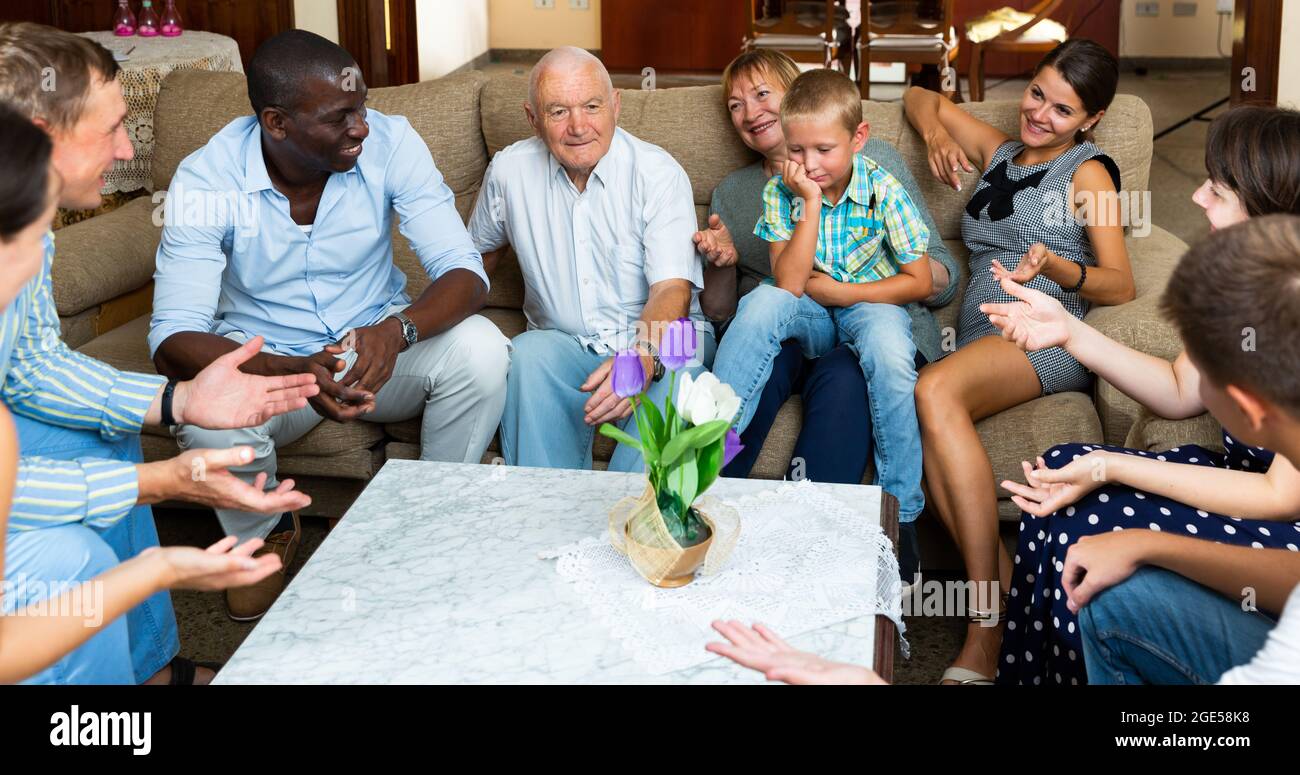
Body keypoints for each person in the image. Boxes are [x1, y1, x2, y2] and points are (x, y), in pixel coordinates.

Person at [148, 31, 510, 621]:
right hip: (271, 368)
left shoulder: (393, 143)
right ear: (277, 122)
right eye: (340, 117)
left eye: (361, 107)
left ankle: (429, 515)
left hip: (376, 352)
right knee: (204, 410)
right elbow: (173, 337)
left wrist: (400, 330)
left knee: (483, 349)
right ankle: (264, 532)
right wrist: (290, 372)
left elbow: (465, 272)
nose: (362, 127)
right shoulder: (206, 179)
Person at [0, 26, 312, 685]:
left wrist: (176, 402)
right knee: (71, 560)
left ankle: (150, 672)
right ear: (38, 133)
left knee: (104, 430)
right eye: (111, 128)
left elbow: (29, 363)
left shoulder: (23, 217)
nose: (125, 150)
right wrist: (160, 482)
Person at [902, 38, 1134, 684]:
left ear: (1090, 120)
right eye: (1037, 93)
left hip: (1046, 330)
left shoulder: (1088, 172)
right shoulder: (1000, 151)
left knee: (931, 391)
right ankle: (1012, 587)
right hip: (983, 328)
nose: (1039, 114)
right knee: (914, 407)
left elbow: (1120, 282)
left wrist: (1055, 265)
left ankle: (985, 625)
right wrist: (932, 133)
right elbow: (921, 96)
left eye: (1062, 110)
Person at [698, 51, 960, 579]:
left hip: (873, 309)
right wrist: (726, 262)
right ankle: (703, 474)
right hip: (798, 320)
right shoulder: (751, 191)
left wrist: (843, 292)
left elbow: (935, 275)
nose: (750, 113)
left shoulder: (878, 170)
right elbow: (769, 293)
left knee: (863, 364)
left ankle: (866, 526)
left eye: (762, 95)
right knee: (764, 302)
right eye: (735, 105)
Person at [469, 47, 714, 473]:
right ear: (533, 118)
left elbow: (671, 288)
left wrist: (640, 354)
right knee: (526, 353)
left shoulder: (658, 173)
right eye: (559, 110)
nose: (578, 126)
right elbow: (475, 261)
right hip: (561, 340)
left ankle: (630, 520)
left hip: (671, 335)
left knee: (678, 368)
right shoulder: (509, 172)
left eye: (592, 106)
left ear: (616, 105)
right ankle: (546, 510)